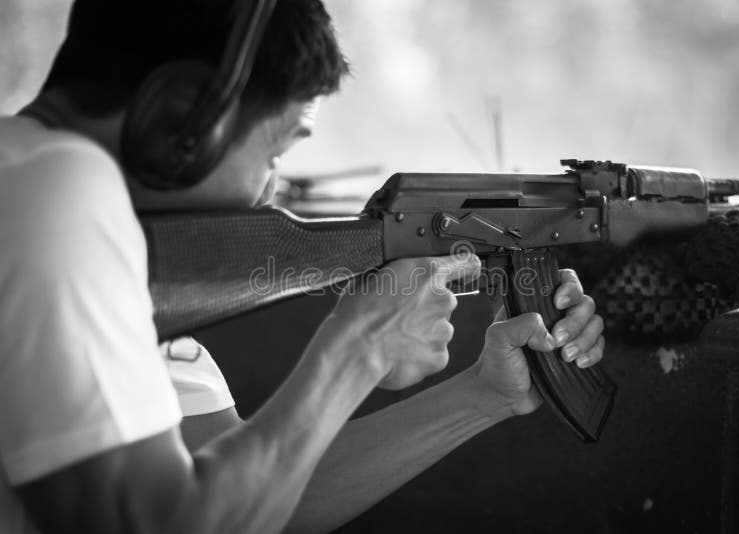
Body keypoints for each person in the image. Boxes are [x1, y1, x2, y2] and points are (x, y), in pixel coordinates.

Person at [0, 0, 606, 532]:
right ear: (181, 119)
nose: (271, 191)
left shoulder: (52, 205)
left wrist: (482, 397)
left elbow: (254, 499)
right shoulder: (56, 188)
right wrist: (360, 344)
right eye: (276, 148)